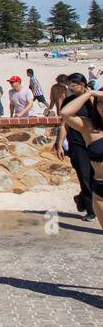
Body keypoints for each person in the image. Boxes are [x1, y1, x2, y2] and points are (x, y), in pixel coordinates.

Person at [58, 84, 103, 228]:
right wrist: (90, 94)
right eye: (101, 102)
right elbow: (65, 113)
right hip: (100, 190)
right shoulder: (89, 127)